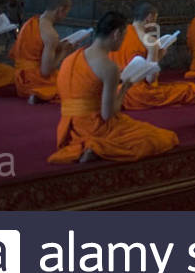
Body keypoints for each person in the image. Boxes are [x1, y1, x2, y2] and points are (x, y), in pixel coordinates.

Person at [48, 11, 180, 163]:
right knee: (160, 137)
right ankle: (98, 147)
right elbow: (108, 114)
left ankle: (88, 145)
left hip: (68, 129)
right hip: (95, 127)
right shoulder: (109, 67)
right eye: (123, 36)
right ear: (117, 34)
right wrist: (124, 88)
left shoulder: (70, 58)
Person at [109, 3, 195, 109]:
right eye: (155, 20)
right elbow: (150, 79)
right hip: (135, 93)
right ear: (149, 18)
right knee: (190, 89)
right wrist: (158, 55)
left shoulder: (120, 35)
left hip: (112, 90)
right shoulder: (150, 42)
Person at [13, 0, 73, 102]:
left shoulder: (30, 23)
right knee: (71, 85)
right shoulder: (51, 34)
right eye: (65, 13)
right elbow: (45, 71)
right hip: (34, 79)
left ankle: (39, 93)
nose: (65, 17)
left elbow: (36, 49)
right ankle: (40, 93)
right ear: (60, 9)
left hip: (19, 78)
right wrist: (63, 53)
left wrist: (58, 46)